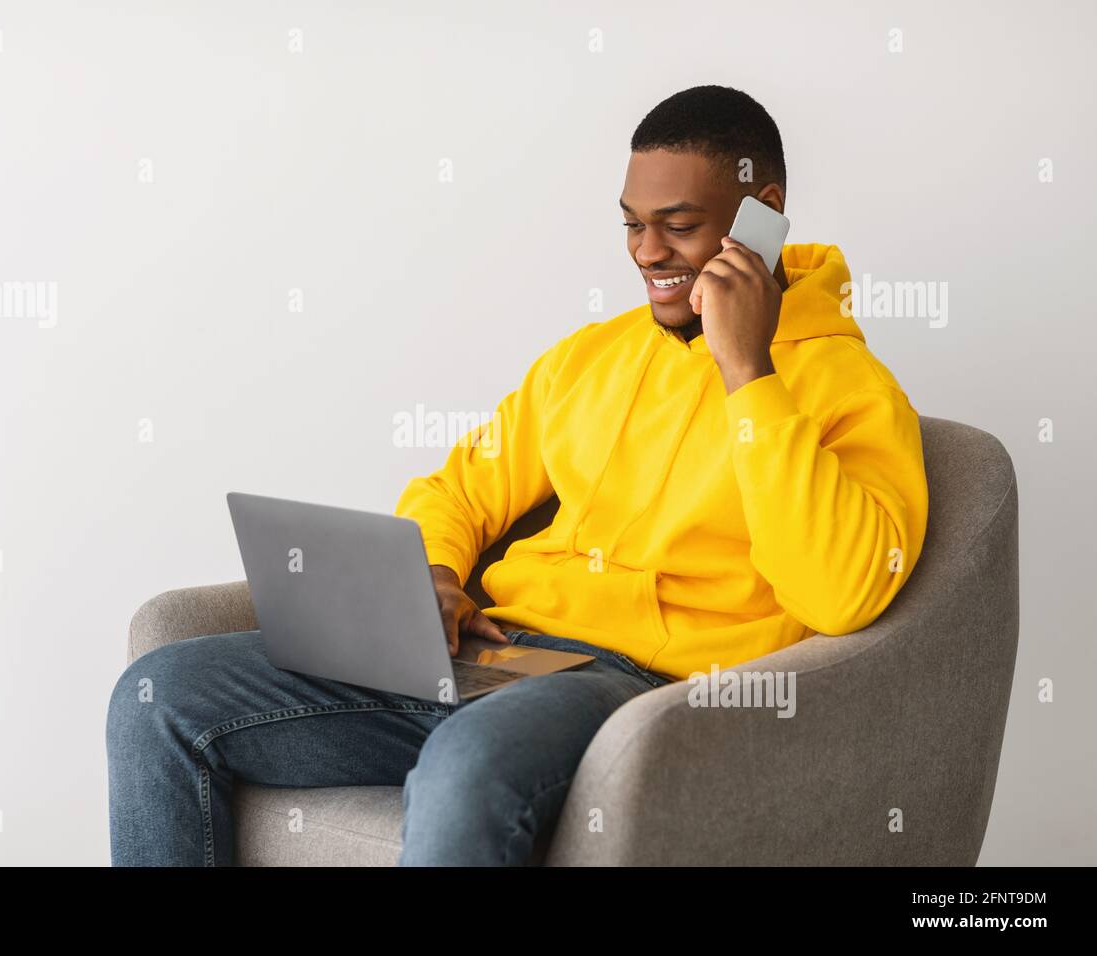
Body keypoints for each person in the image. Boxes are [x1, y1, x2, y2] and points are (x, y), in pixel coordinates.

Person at [106, 84, 929, 866]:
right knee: (160, 695)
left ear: (764, 214)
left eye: (677, 225)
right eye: (632, 224)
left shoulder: (846, 389)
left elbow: (842, 593)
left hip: (633, 690)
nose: (647, 253)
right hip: (495, 652)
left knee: (470, 760)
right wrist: (435, 573)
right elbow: (459, 487)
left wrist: (749, 373)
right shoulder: (592, 358)